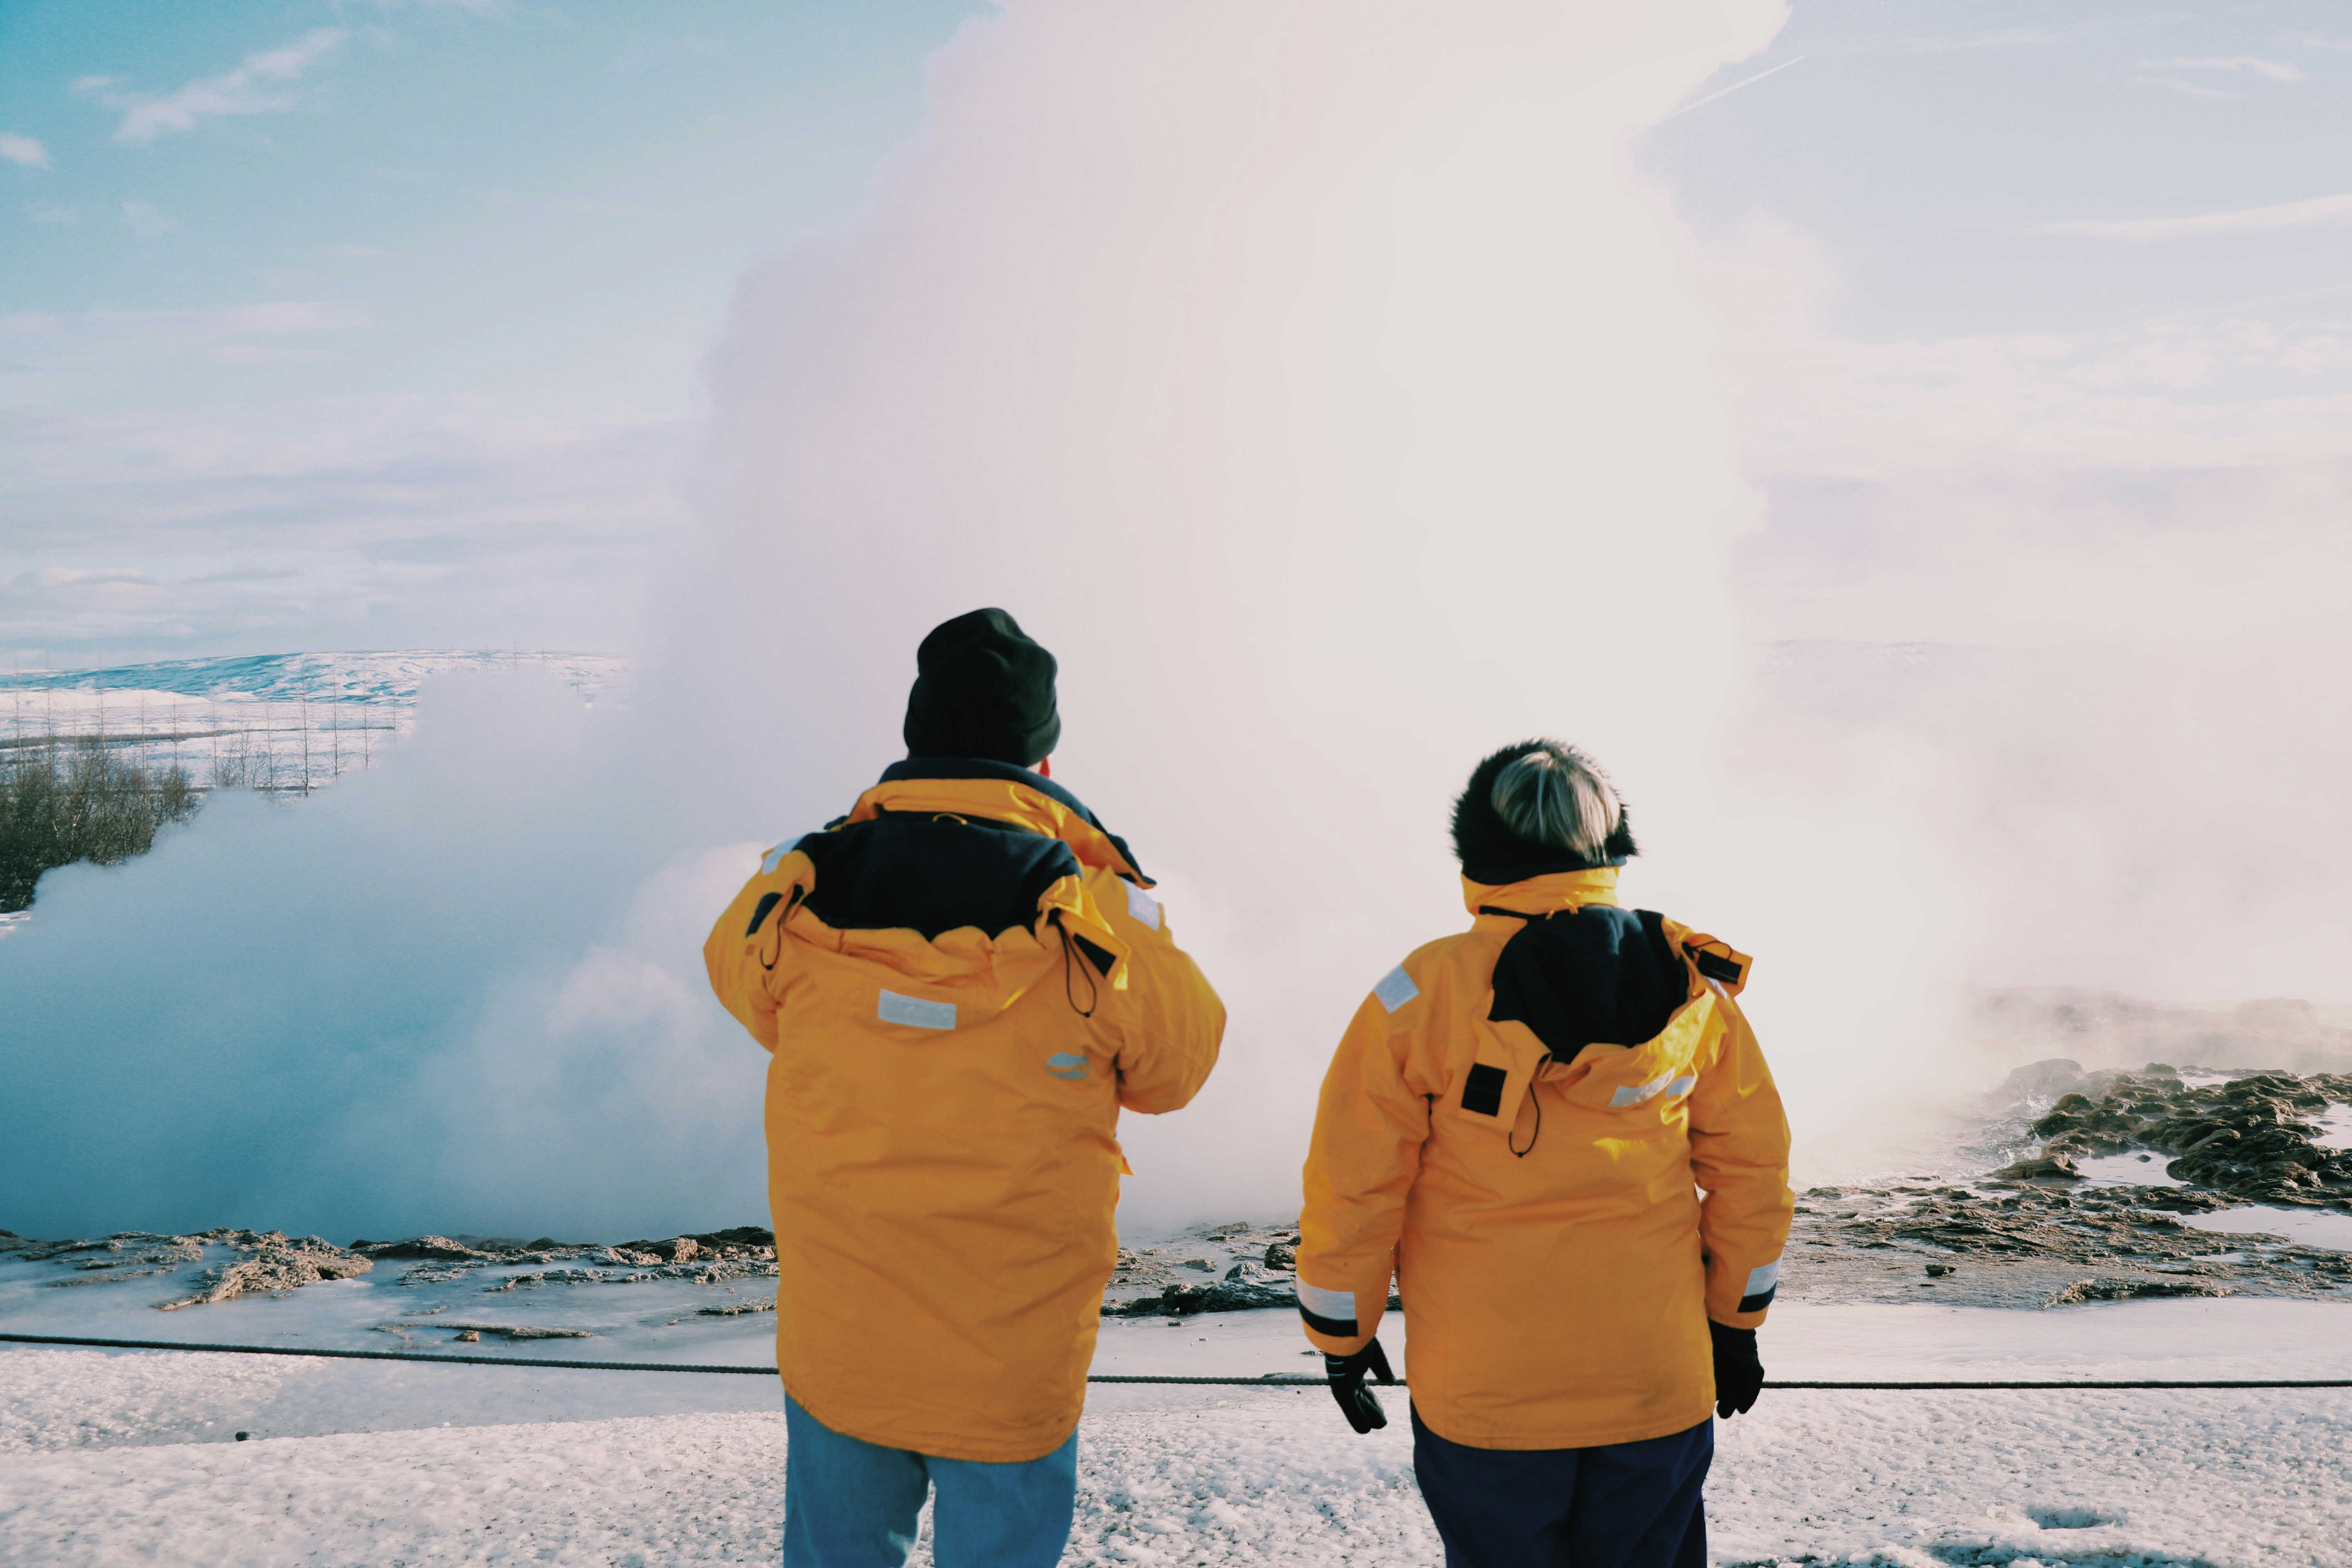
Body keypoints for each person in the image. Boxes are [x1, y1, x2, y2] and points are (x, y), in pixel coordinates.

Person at [705, 608, 1226, 1568]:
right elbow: (1175, 1072)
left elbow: (747, 993)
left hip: (841, 1340)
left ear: (917, 739)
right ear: (1043, 758)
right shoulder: (1099, 912)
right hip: (1012, 1352)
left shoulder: (796, 886)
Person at [1294, 739, 1792, 1568]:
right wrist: (1735, 1325)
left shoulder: (1418, 994)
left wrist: (1342, 1335)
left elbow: (1354, 1187)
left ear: (1478, 848)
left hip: (1485, 1397)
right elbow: (1754, 1177)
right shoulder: (1692, 985)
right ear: (1611, 845)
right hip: (1656, 1383)